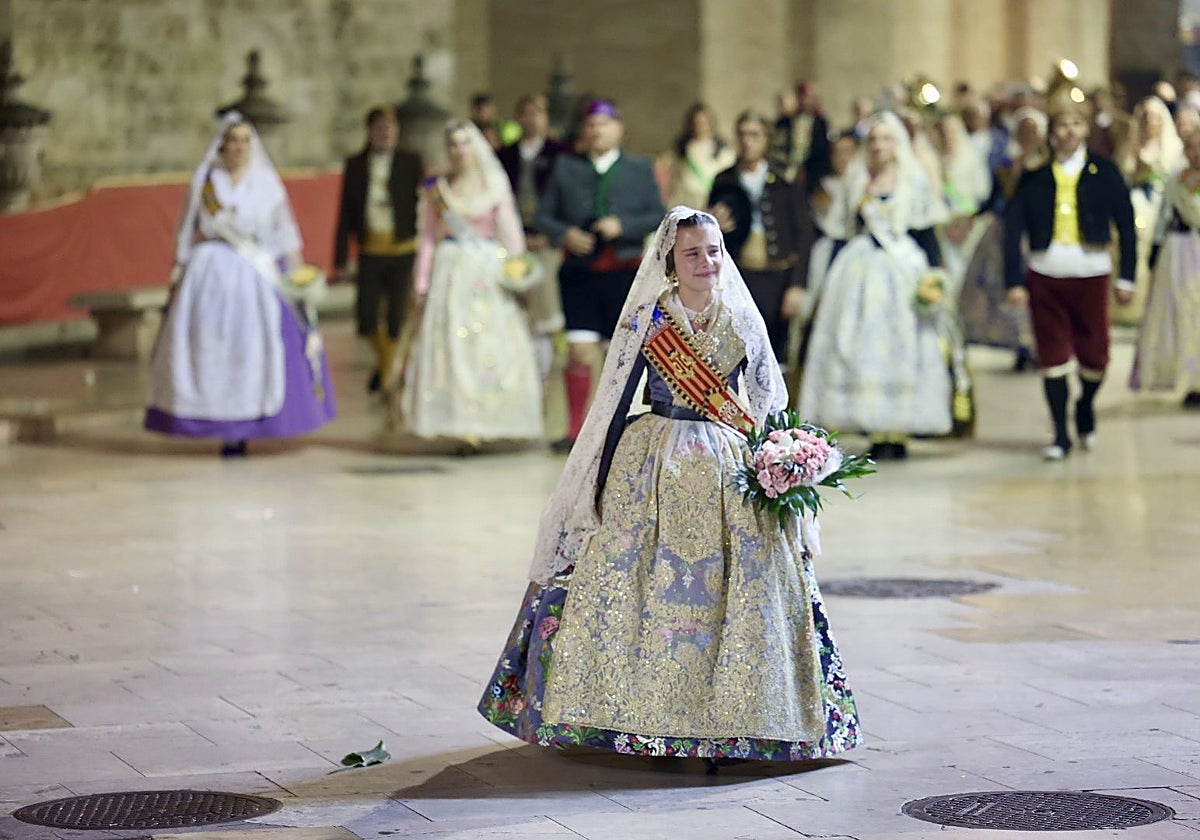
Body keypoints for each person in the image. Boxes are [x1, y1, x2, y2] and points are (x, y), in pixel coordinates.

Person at [478, 207, 861, 764]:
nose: (707, 262)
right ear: (669, 262)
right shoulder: (649, 318)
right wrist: (595, 487)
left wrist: (783, 461)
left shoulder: (741, 315)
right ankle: (626, 715)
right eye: (693, 253)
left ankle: (747, 715)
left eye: (713, 251)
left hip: (729, 465)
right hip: (653, 459)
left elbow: (765, 403)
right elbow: (611, 404)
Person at [146, 113, 335, 455]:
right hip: (211, 275)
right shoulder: (205, 181)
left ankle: (248, 426)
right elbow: (186, 233)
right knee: (211, 350)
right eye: (233, 140)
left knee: (253, 349)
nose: (239, 147)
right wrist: (177, 275)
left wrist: (298, 277)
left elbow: (285, 233)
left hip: (255, 278)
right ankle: (216, 422)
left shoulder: (266, 183)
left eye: (245, 140)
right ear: (222, 144)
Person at [798, 111, 955, 461]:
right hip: (860, 272)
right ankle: (869, 421)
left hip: (903, 272)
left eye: (886, 139)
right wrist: (825, 284)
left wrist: (934, 278)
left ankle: (897, 428)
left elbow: (927, 233)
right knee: (859, 345)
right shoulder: (856, 182)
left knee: (903, 347)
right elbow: (840, 233)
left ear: (897, 144)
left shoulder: (912, 183)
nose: (880, 146)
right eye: (874, 140)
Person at [1003, 76, 1136, 460]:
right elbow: (1013, 229)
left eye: (1077, 123)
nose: (1069, 131)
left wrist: (1126, 276)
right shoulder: (1034, 173)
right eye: (1062, 124)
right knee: (1052, 355)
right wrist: (1014, 279)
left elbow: (1125, 227)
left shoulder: (1105, 171)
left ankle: (1085, 405)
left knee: (1096, 356)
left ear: (1086, 127)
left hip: (1092, 272)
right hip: (1045, 273)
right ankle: (1060, 432)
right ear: (1052, 129)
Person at [399, 120, 542, 445]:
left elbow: (510, 234)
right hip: (450, 274)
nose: (458, 150)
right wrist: (421, 283)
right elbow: (427, 241)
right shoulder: (437, 188)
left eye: (465, 143)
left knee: (489, 344)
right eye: (452, 144)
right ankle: (460, 421)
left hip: (486, 273)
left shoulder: (494, 184)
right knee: (451, 345)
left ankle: (489, 417)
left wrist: (519, 275)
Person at [536, 99, 665, 452]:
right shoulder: (565, 167)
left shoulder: (639, 169)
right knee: (578, 351)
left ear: (618, 128)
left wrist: (623, 225)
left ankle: (616, 426)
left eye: (604, 124)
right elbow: (543, 215)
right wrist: (565, 235)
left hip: (623, 273)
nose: (597, 131)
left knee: (620, 354)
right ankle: (575, 429)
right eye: (590, 125)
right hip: (579, 274)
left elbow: (657, 213)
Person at [709, 110, 814, 364]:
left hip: (777, 276)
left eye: (754, 135)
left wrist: (797, 284)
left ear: (765, 139)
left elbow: (804, 233)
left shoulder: (784, 181)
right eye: (743, 134)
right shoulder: (724, 180)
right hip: (740, 275)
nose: (748, 141)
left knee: (775, 354)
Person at [333, 106, 424, 394]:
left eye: (390, 127)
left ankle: (387, 378)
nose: (385, 132)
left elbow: (422, 204)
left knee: (397, 317)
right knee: (368, 317)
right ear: (369, 131)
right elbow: (345, 211)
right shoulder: (356, 164)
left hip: (402, 249)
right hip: (370, 249)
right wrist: (341, 257)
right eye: (379, 127)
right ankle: (388, 364)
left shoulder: (411, 162)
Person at [497, 94, 570, 380]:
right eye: (525, 113)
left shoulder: (560, 154)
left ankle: (545, 372)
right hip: (512, 242)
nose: (531, 118)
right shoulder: (504, 155)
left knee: (546, 306)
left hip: (547, 242)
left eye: (537, 113)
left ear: (546, 117)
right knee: (517, 306)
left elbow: (566, 201)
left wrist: (552, 235)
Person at [1131, 129, 1200, 407]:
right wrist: (1155, 251)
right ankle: (1191, 380)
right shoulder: (1177, 178)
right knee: (1183, 313)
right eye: (1191, 148)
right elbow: (1164, 215)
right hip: (1181, 252)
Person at [1113, 96, 1184, 325]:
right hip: (1134, 204)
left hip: (1159, 207)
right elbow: (1121, 176)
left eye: (1155, 117)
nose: (1150, 122)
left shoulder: (1173, 148)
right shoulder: (1130, 145)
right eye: (1145, 116)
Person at [665, 102, 736, 210]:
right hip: (685, 200)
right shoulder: (683, 149)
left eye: (704, 123)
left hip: (710, 199)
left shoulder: (722, 152)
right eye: (697, 123)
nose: (700, 127)